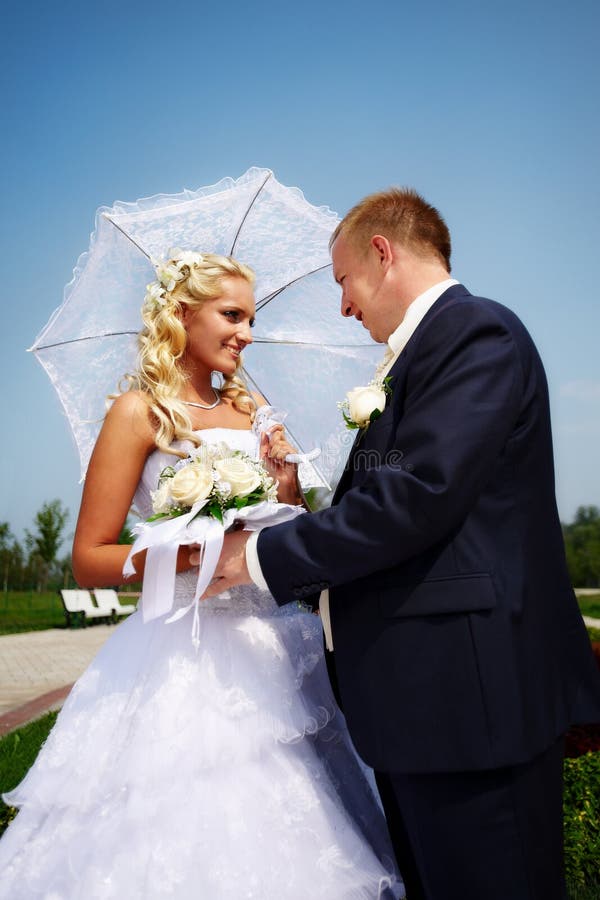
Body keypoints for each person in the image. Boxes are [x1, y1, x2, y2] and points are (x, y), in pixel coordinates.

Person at [205, 189, 600, 900]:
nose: (343, 306)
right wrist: (297, 503)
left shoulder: (475, 332)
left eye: (343, 281)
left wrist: (256, 557)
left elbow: (419, 494)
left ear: (382, 253)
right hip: (426, 711)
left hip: (469, 709)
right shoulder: (426, 350)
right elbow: (404, 502)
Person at [0, 251, 401, 899]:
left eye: (251, 319)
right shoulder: (139, 413)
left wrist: (287, 484)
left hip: (272, 643)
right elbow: (90, 556)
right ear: (183, 314)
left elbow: (296, 535)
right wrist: (193, 552)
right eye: (232, 315)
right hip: (178, 648)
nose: (247, 333)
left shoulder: (255, 410)